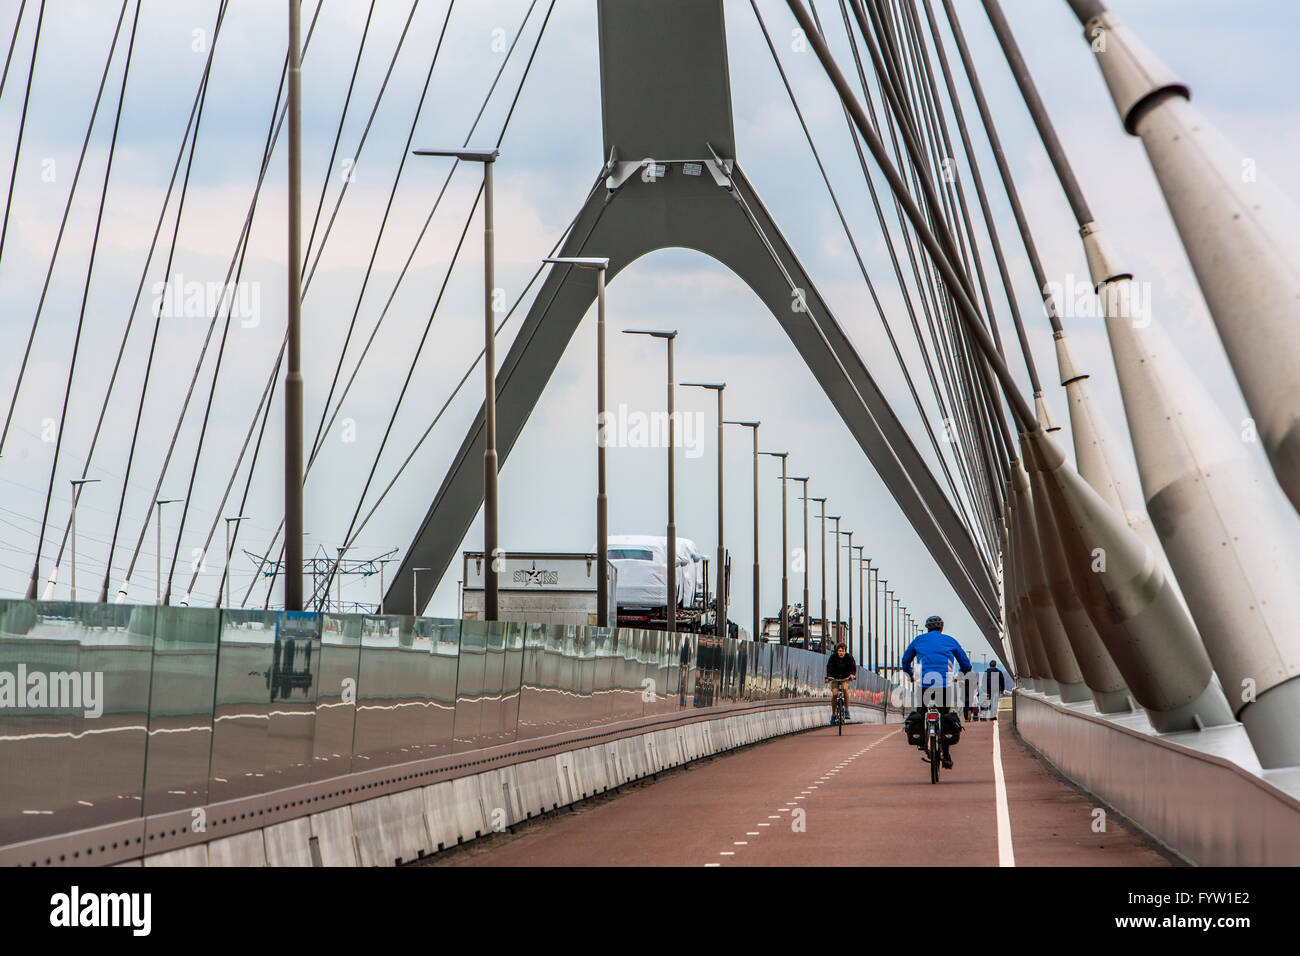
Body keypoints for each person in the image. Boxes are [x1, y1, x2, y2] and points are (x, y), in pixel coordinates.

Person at [900, 615, 972, 768]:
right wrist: (960, 675)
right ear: (942, 628)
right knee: (945, 715)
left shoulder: (919, 640)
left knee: (921, 711)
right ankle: (945, 755)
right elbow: (965, 663)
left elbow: (905, 661)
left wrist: (910, 674)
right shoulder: (950, 640)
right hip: (944, 684)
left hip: (924, 684)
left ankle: (921, 740)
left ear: (927, 628)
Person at [824, 641, 857, 724]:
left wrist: (852, 675)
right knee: (835, 694)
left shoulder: (849, 658)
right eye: (839, 651)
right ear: (837, 651)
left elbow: (853, 668)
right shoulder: (833, 657)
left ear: (845, 651)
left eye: (842, 651)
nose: (841, 653)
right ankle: (833, 715)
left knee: (845, 689)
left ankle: (846, 710)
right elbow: (829, 668)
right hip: (835, 678)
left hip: (845, 678)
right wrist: (828, 677)